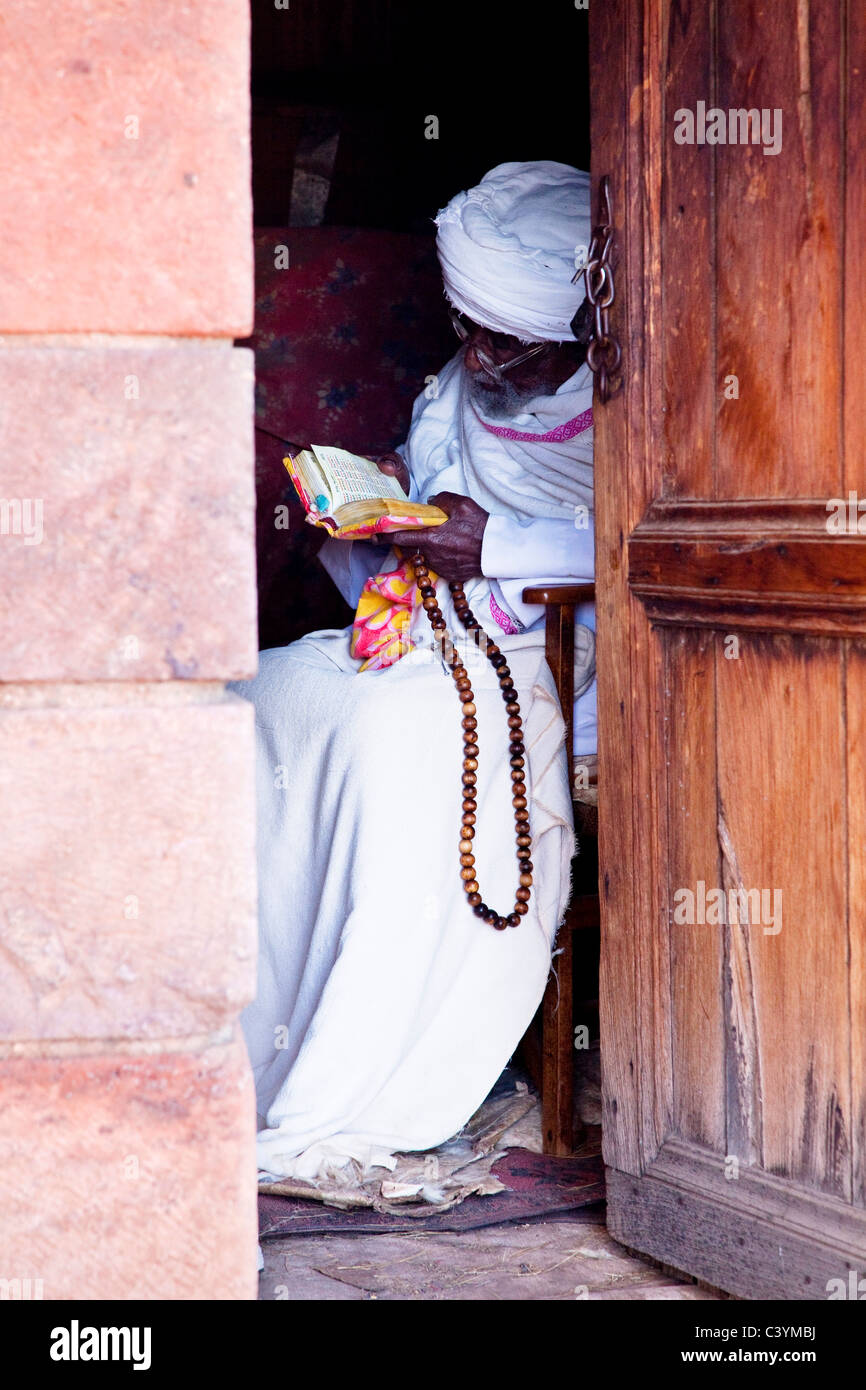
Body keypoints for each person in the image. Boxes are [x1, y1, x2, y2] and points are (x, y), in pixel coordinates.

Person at [232, 161, 597, 1181]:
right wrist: (377, 510)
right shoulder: (456, 387)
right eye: (463, 327)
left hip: (563, 660)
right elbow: (414, 535)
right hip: (435, 637)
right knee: (262, 694)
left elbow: (641, 545)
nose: (477, 358)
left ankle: (372, 1075)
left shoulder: (644, 407)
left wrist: (502, 544)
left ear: (577, 335)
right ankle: (267, 1045)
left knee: (389, 739)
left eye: (509, 343)